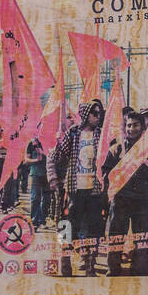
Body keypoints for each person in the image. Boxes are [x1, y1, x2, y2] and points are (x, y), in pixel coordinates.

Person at [48, 100, 107, 277]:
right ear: (85, 114)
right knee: (65, 226)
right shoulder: (72, 133)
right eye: (94, 113)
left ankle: (89, 266)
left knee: (93, 228)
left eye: (99, 114)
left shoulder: (101, 134)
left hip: (94, 190)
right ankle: (65, 263)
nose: (98, 117)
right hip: (73, 190)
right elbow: (56, 156)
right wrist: (54, 179)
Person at [102, 109, 148, 275]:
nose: (131, 129)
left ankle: (139, 268)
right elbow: (106, 173)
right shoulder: (116, 149)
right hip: (121, 200)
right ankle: (113, 268)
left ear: (142, 128)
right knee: (116, 235)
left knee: (141, 237)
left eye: (135, 125)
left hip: (142, 200)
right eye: (128, 125)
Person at [25, 135, 50, 230]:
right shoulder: (31, 143)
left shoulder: (49, 140)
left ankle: (42, 220)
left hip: (48, 173)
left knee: (46, 199)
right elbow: (26, 160)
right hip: (35, 173)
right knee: (35, 198)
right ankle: (34, 222)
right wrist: (36, 160)